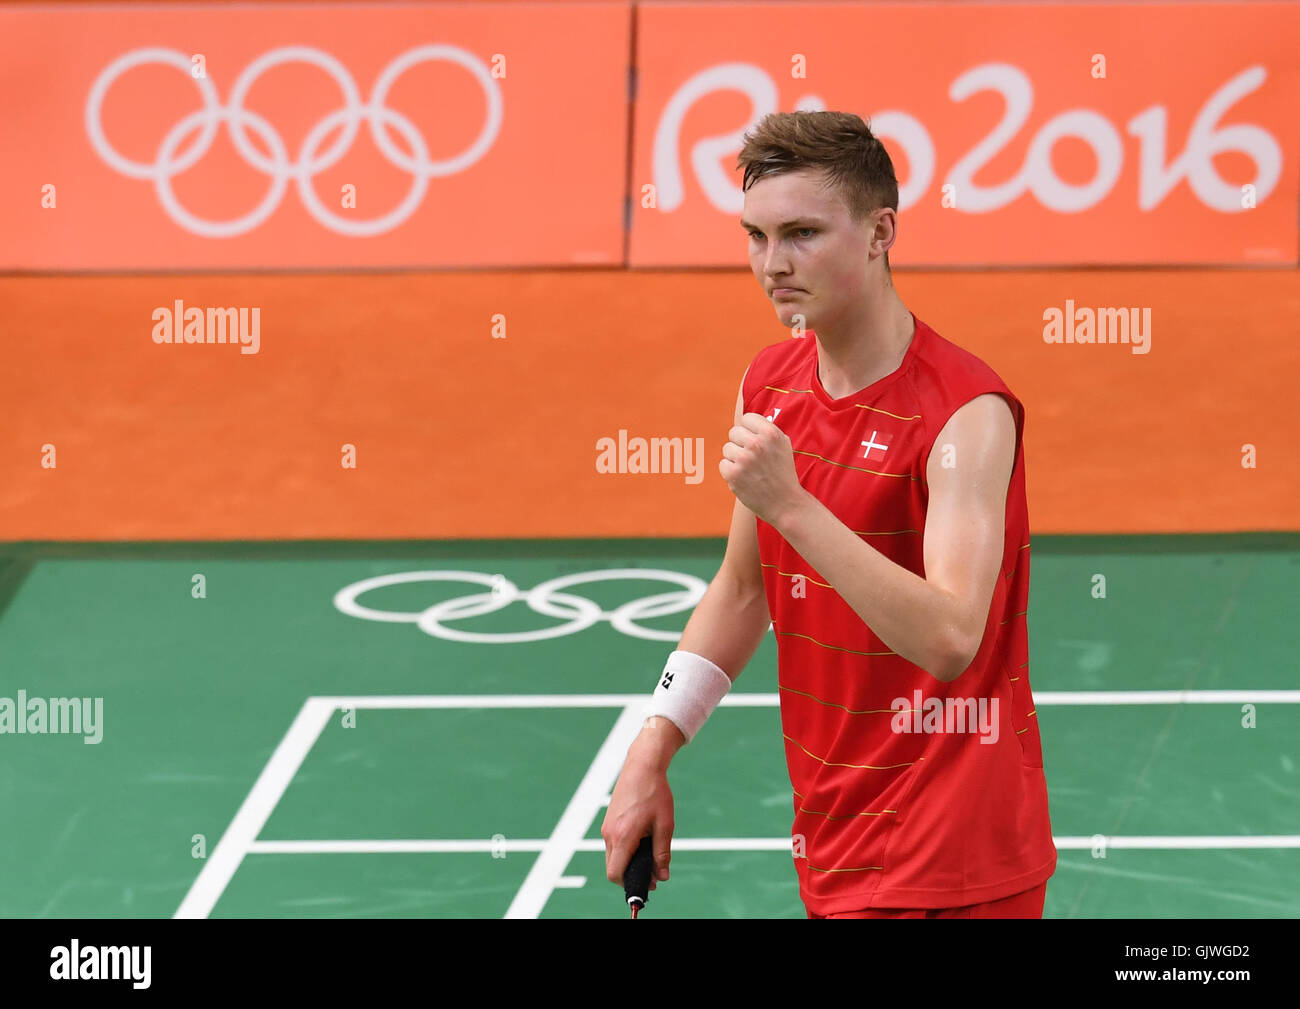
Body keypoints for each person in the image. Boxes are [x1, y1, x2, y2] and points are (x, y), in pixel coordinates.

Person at [602, 110, 1056, 918]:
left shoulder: (963, 414)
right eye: (757, 236)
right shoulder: (770, 385)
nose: (773, 264)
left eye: (803, 233)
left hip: (951, 856)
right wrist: (653, 744)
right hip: (835, 830)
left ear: (881, 232)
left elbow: (952, 638)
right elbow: (743, 591)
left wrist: (792, 503)